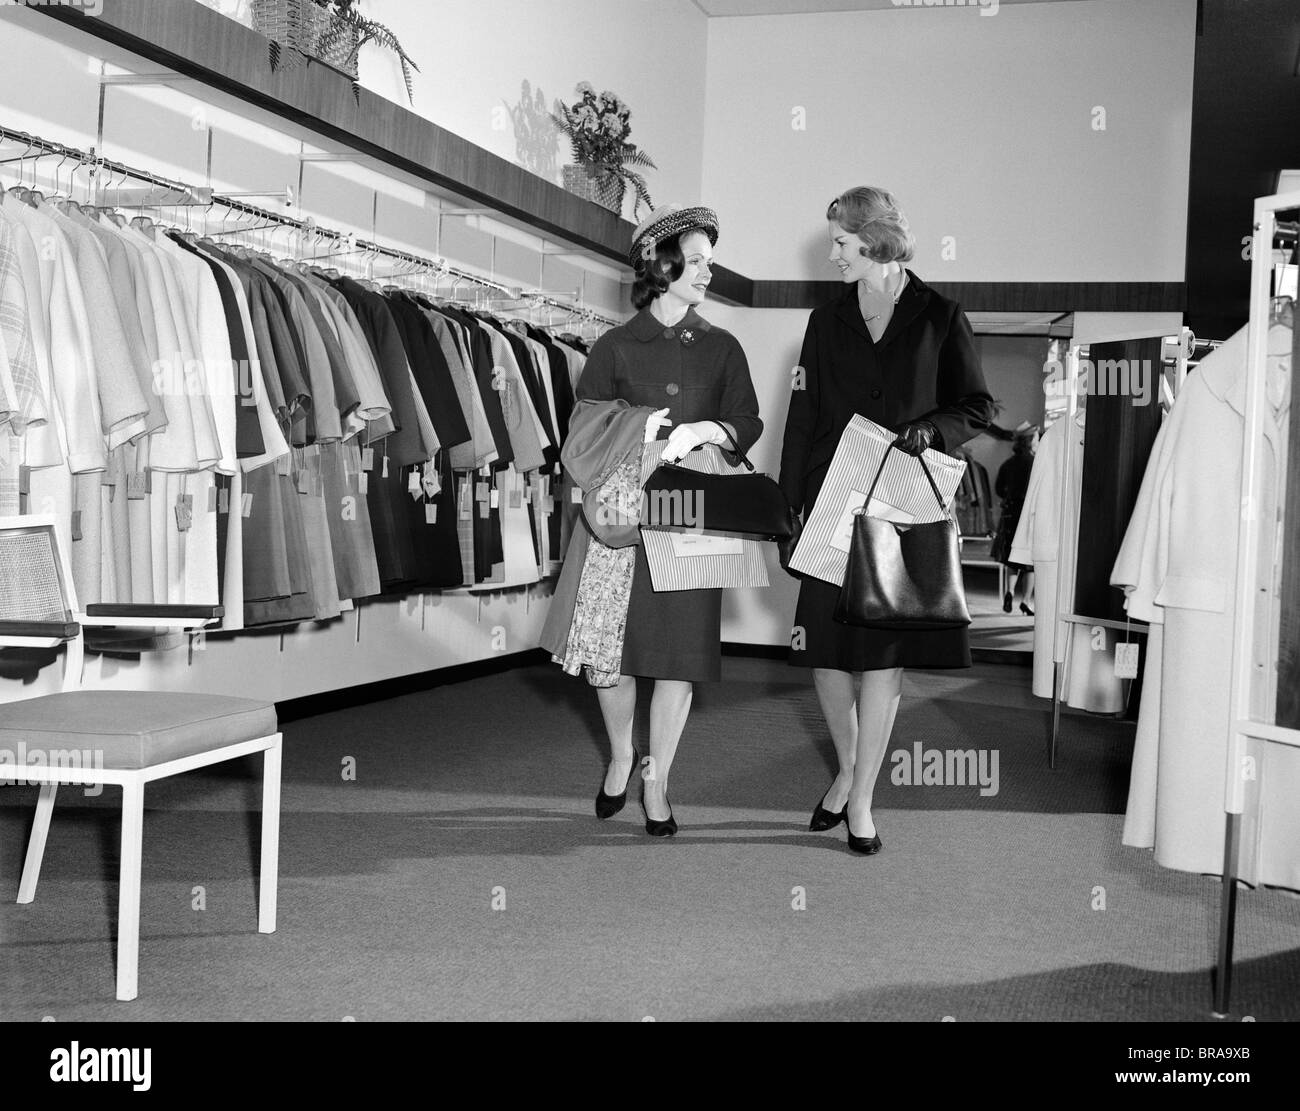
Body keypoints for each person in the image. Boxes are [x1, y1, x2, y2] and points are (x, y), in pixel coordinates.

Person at [779, 186, 995, 855]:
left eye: (840, 243)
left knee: (882, 661)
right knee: (823, 652)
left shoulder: (940, 315)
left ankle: (863, 798)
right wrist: (789, 500)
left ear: (871, 239)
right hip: (831, 501)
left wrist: (931, 429)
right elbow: (804, 414)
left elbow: (977, 405)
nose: (833, 255)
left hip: (901, 507)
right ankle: (846, 767)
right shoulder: (825, 320)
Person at [541, 204, 762, 837]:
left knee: (678, 656)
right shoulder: (613, 346)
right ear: (659, 267)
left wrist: (709, 429)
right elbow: (581, 435)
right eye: (695, 261)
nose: (706, 272)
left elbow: (748, 421)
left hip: (686, 508)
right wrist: (642, 432)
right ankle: (619, 755)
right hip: (618, 514)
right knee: (611, 655)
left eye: (709, 262)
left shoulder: (722, 345)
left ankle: (657, 780)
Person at [990, 426, 1037, 615]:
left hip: (1010, 514)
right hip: (1028, 514)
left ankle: (1009, 591)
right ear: (1030, 441)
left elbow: (999, 489)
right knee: (1030, 561)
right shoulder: (1035, 462)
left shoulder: (1007, 463)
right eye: (1036, 438)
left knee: (1012, 557)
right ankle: (1026, 601)